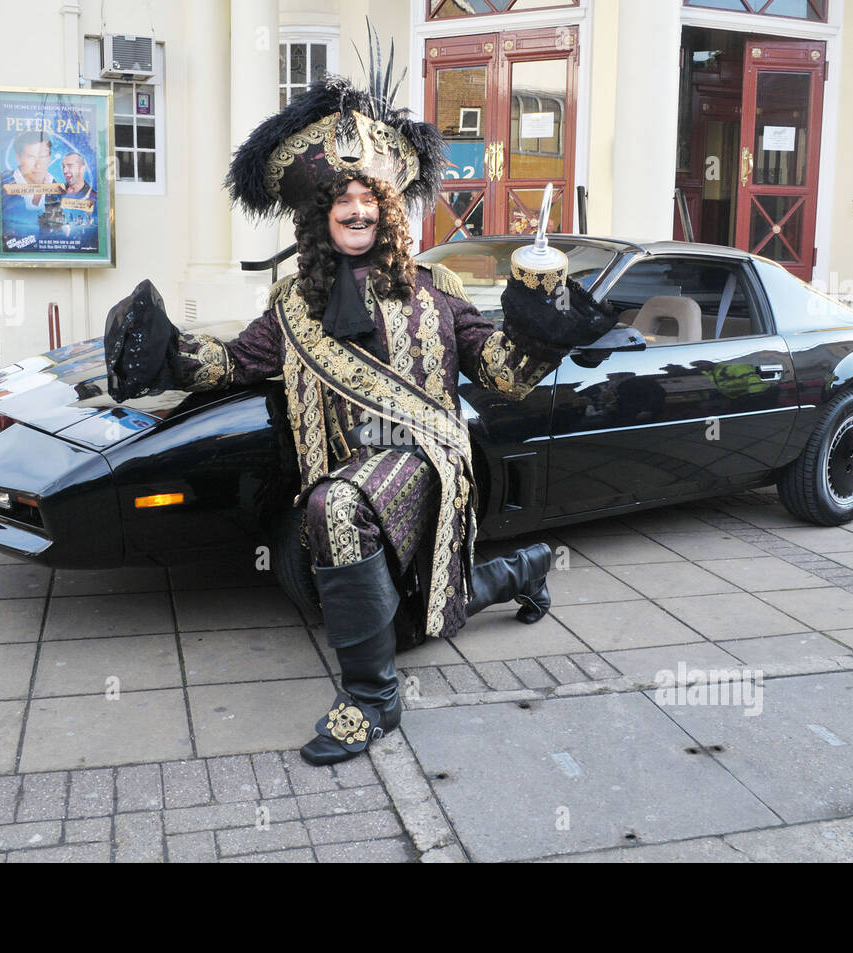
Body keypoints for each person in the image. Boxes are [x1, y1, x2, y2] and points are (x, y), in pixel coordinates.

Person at [167, 63, 618, 767]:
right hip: (343, 467)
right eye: (338, 197)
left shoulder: (437, 290)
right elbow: (233, 361)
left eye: (367, 195)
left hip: (422, 458)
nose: (354, 208)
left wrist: (537, 325)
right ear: (318, 214)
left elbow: (499, 372)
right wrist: (166, 353)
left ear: (388, 206)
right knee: (409, 622)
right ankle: (525, 568)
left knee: (336, 510)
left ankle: (374, 699)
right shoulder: (292, 306)